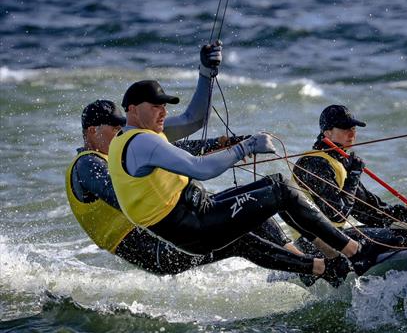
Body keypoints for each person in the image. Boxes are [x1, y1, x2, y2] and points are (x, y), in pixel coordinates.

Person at [66, 45, 348, 283]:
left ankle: (307, 266)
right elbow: (127, 193)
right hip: (157, 246)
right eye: (114, 127)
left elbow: (188, 125)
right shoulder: (87, 166)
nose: (121, 130)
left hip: (173, 231)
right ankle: (316, 266)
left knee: (250, 214)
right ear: (92, 132)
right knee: (241, 227)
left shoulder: (130, 144)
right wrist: (196, 171)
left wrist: (206, 77)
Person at [106, 78, 362, 277]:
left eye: (164, 106)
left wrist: (206, 73)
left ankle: (323, 269)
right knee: (279, 189)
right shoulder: (142, 143)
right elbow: (199, 168)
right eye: (155, 107)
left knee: (247, 233)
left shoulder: (134, 135)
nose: (162, 112)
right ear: (132, 110)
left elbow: (193, 118)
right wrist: (246, 147)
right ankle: (354, 251)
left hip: (191, 221)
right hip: (192, 224)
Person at [292, 104, 407, 274]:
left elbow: (367, 211)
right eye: (344, 128)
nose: (352, 133)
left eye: (353, 128)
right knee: (402, 238)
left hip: (335, 238)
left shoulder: (339, 162)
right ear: (327, 133)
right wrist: (354, 174)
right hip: (314, 247)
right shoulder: (313, 163)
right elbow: (337, 214)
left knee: (400, 234)